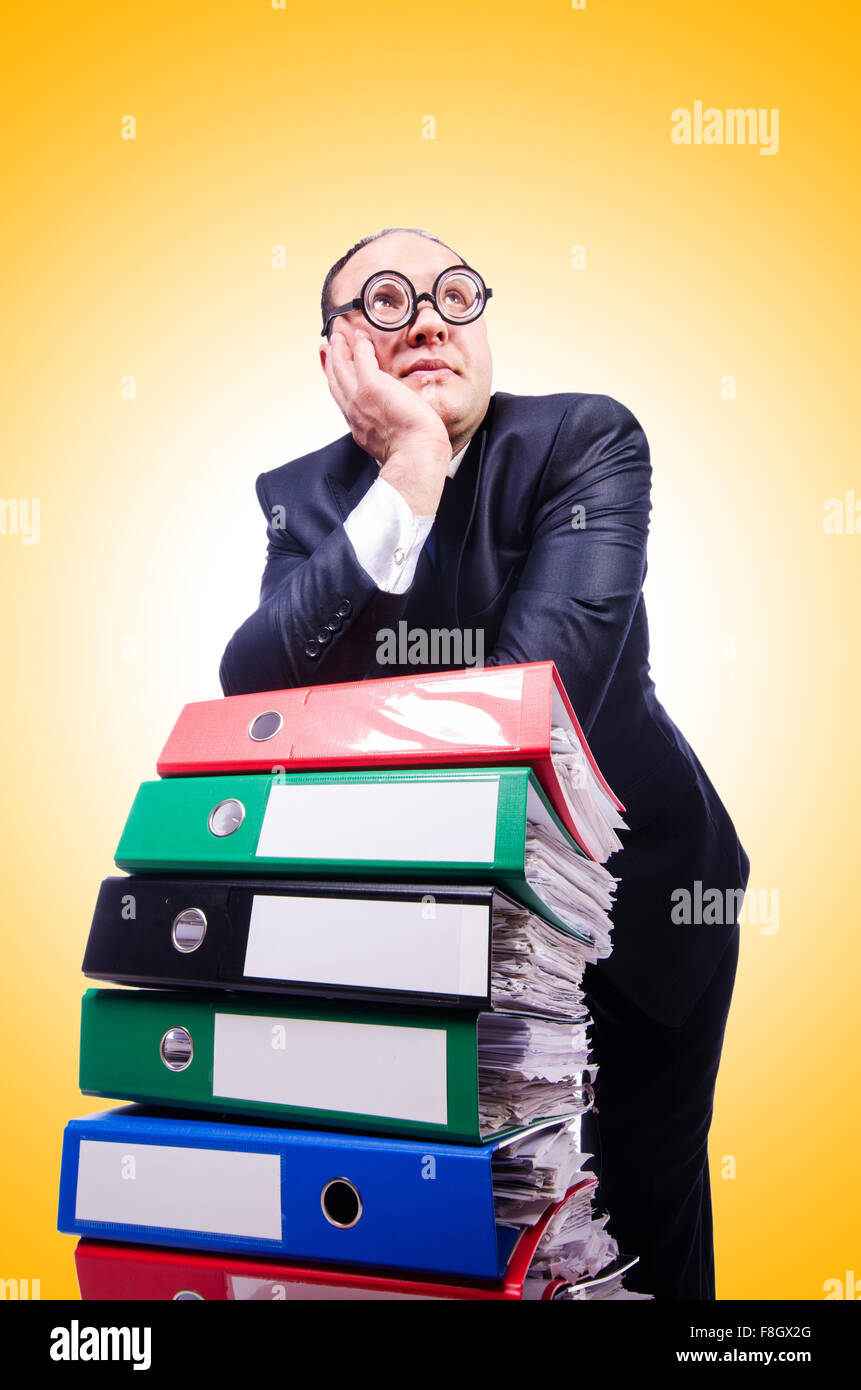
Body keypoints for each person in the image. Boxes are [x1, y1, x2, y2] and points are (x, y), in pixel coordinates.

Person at [219, 226, 751, 1300]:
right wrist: (407, 480)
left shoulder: (581, 441)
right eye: (384, 300)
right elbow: (253, 691)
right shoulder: (303, 495)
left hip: (632, 914)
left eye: (455, 294)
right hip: (424, 926)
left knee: (626, 1209)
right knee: (462, 1219)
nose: (428, 316)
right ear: (336, 358)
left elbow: (528, 707)